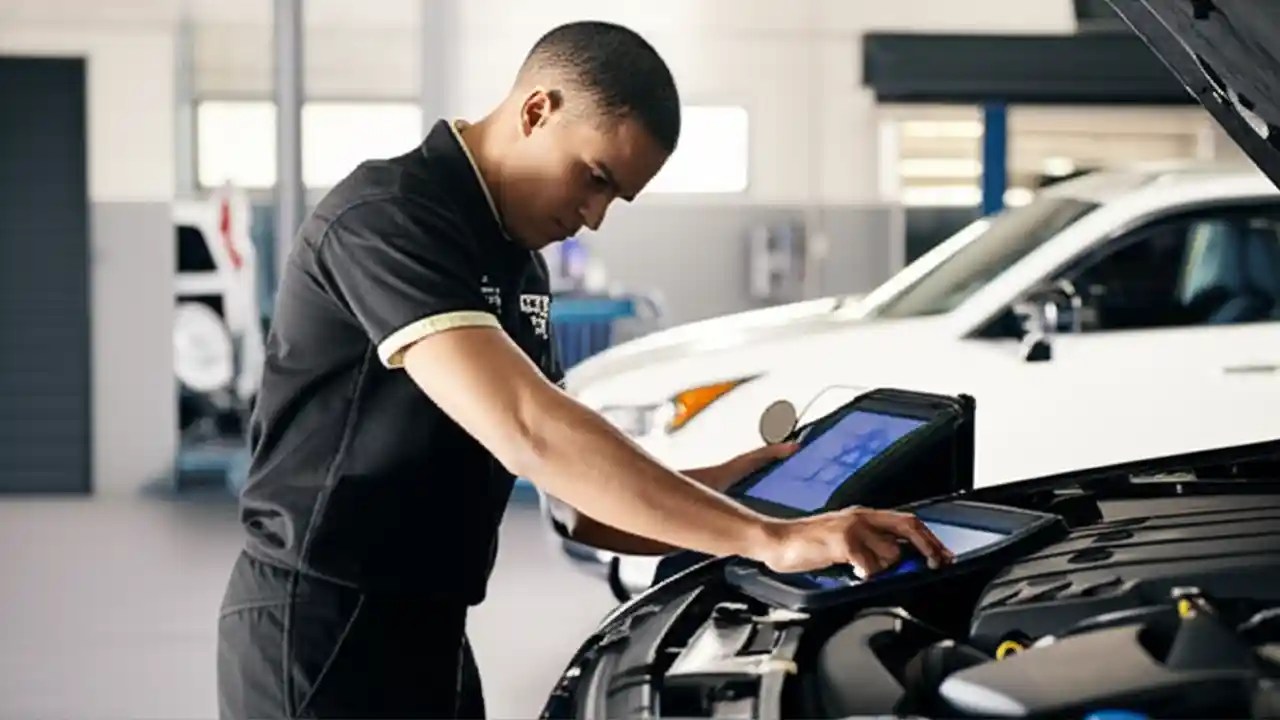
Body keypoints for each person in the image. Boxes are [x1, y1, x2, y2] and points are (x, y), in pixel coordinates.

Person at [216, 19, 953, 720]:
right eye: (595, 178)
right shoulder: (392, 216)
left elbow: (578, 505)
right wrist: (770, 541)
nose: (595, 216)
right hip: (318, 622)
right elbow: (528, 431)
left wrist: (734, 488)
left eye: (616, 196)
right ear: (538, 110)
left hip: (430, 626)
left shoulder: (517, 263)